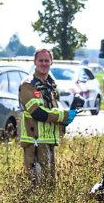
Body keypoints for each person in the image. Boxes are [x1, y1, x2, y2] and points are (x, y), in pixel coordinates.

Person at [17, 47, 75, 180]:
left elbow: (53, 109)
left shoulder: (51, 84)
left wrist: (63, 124)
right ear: (35, 62)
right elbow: (37, 113)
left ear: (51, 62)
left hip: (49, 141)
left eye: (46, 60)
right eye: (40, 60)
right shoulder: (28, 84)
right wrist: (64, 116)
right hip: (34, 141)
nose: (44, 63)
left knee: (50, 184)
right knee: (37, 184)